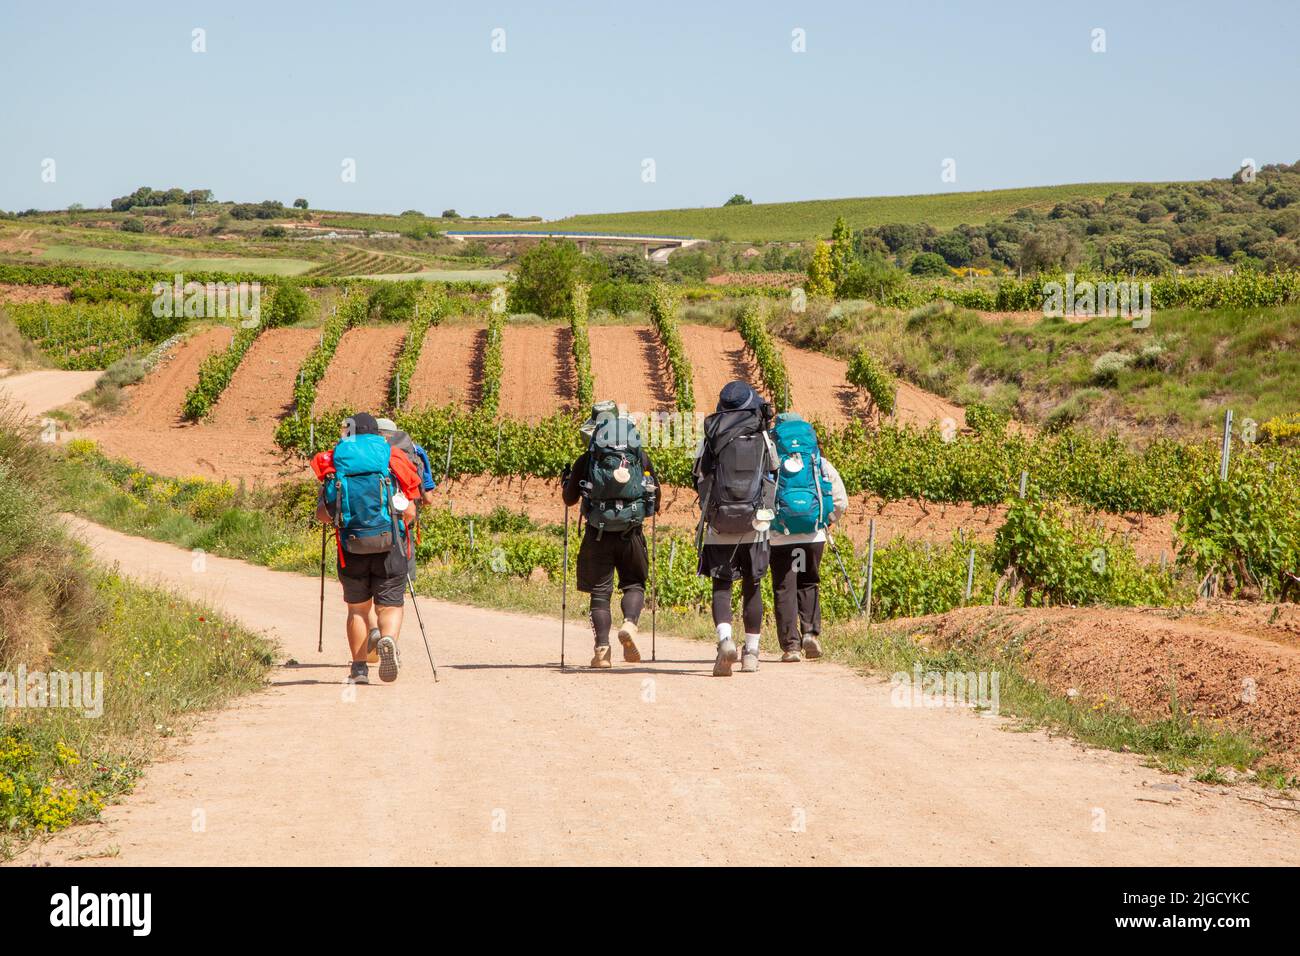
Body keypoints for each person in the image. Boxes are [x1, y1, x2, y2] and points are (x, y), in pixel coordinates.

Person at [312, 412, 422, 685]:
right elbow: (409, 510)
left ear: (348, 433)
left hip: (351, 547)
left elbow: (324, 515)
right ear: (377, 434)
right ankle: (387, 639)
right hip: (388, 545)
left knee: (358, 610)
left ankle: (359, 669)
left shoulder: (337, 462)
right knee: (390, 606)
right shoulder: (393, 459)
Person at [561, 401, 658, 669]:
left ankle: (602, 651)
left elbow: (569, 499)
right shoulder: (639, 455)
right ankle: (630, 624)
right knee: (634, 583)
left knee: (600, 594)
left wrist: (567, 481)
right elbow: (655, 497)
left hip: (598, 533)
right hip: (631, 532)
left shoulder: (588, 458)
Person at [693, 381, 777, 676]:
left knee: (722, 585)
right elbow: (774, 473)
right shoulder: (762, 433)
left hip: (719, 522)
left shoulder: (711, 433)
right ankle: (751, 652)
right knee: (753, 585)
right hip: (755, 524)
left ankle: (725, 641)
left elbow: (698, 475)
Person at [767, 411, 849, 662]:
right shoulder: (819, 461)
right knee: (808, 583)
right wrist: (826, 522)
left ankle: (791, 646)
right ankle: (810, 634)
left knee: (784, 588)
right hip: (813, 536)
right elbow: (840, 501)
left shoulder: (771, 461)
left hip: (781, 536)